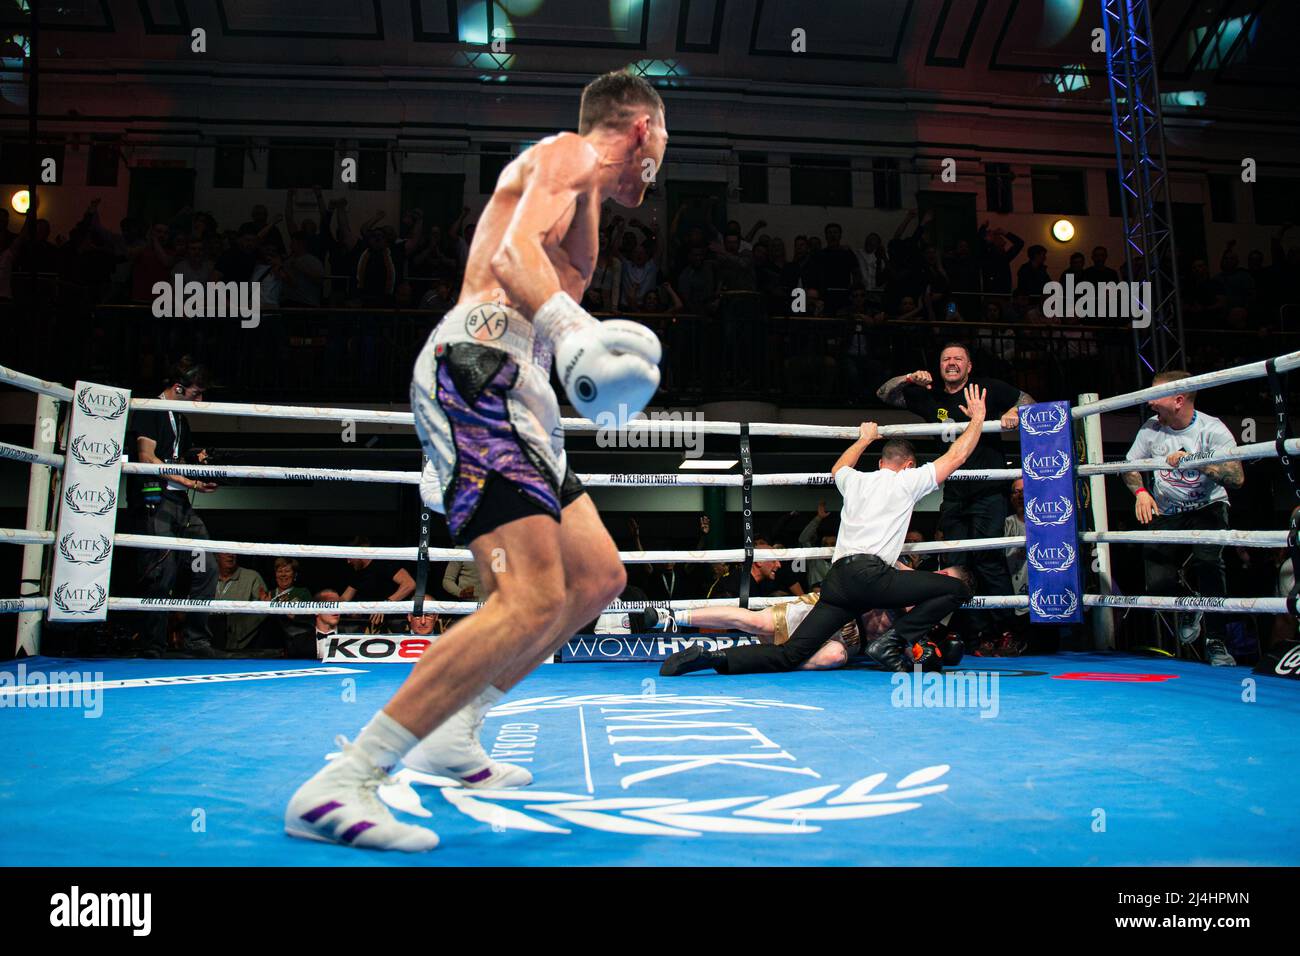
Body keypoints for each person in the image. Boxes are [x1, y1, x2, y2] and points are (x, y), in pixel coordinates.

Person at [286, 70, 666, 851]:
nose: (664, 159)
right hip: (477, 371)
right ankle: (343, 782)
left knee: (596, 577)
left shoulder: (589, 196)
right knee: (526, 598)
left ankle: (454, 733)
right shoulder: (567, 153)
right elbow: (516, 252)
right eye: (665, 140)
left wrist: (579, 340)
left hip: (522, 391)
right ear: (641, 131)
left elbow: (548, 285)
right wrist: (573, 332)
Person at [658, 391, 985, 677]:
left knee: (791, 655)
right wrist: (979, 419)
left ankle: (711, 657)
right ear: (910, 464)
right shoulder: (907, 480)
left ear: (883, 461)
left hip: (838, 582)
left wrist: (863, 439)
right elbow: (957, 456)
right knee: (957, 588)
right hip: (872, 578)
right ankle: (891, 643)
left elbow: (838, 468)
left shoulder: (856, 481)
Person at [877, 343, 1031, 648]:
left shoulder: (985, 389)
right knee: (957, 564)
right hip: (955, 492)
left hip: (989, 490)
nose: (951, 363)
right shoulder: (930, 395)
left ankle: (1006, 631)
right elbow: (884, 392)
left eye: (958, 359)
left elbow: (1029, 400)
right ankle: (974, 634)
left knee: (988, 559)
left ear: (969, 366)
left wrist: (1015, 411)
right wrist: (910, 377)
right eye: (946, 358)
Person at [1122, 370, 1244, 666]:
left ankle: (1216, 642)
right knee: (1157, 581)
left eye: (1155, 395)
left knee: (1208, 563)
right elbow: (1129, 465)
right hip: (1168, 510)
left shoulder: (1211, 429)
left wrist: (1196, 462)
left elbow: (1237, 477)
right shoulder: (1150, 429)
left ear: (1178, 400)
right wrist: (1140, 491)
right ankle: (1192, 606)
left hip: (1208, 506)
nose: (1149, 402)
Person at [646, 565, 971, 671]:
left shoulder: (931, 623)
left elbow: (905, 655)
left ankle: (718, 658)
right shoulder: (906, 575)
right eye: (940, 572)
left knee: (834, 656)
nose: (937, 576)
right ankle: (672, 617)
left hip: (847, 643)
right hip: (829, 611)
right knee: (756, 622)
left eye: (945, 576)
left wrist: (924, 654)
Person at [130, 358, 219, 658]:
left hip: (180, 502)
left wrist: (197, 464)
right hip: (155, 500)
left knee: (206, 564)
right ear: (178, 387)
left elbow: (177, 460)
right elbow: (147, 458)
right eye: (196, 394)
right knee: (162, 571)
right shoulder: (149, 409)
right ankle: (152, 644)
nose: (200, 401)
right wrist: (191, 483)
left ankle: (196, 639)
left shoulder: (181, 420)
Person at [339, 537, 416, 633]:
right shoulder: (358, 572)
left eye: (349, 557)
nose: (348, 561)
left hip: (396, 622)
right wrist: (327, 605)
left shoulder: (383, 563)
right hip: (371, 626)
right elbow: (344, 599)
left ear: (358, 554)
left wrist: (385, 605)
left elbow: (409, 584)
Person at [212, 553, 268, 652]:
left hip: (242, 639)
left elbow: (263, 612)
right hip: (210, 634)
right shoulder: (208, 577)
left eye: (233, 552)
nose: (230, 555)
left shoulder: (252, 577)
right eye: (225, 552)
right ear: (216, 556)